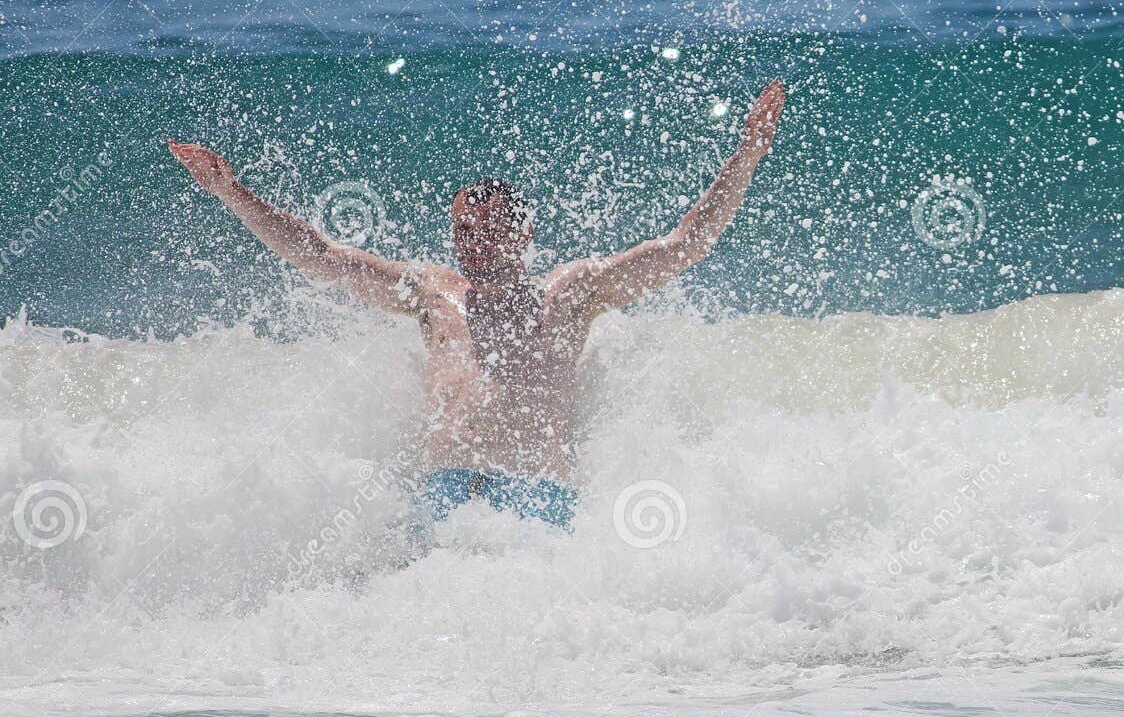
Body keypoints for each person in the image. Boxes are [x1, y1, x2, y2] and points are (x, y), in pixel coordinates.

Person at [168, 80, 787, 530]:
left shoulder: (571, 292)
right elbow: (323, 257)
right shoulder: (433, 294)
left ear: (523, 235)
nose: (471, 245)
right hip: (443, 495)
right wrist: (234, 194)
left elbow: (685, 245)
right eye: (462, 231)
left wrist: (749, 153)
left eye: (485, 231)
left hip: (539, 496)